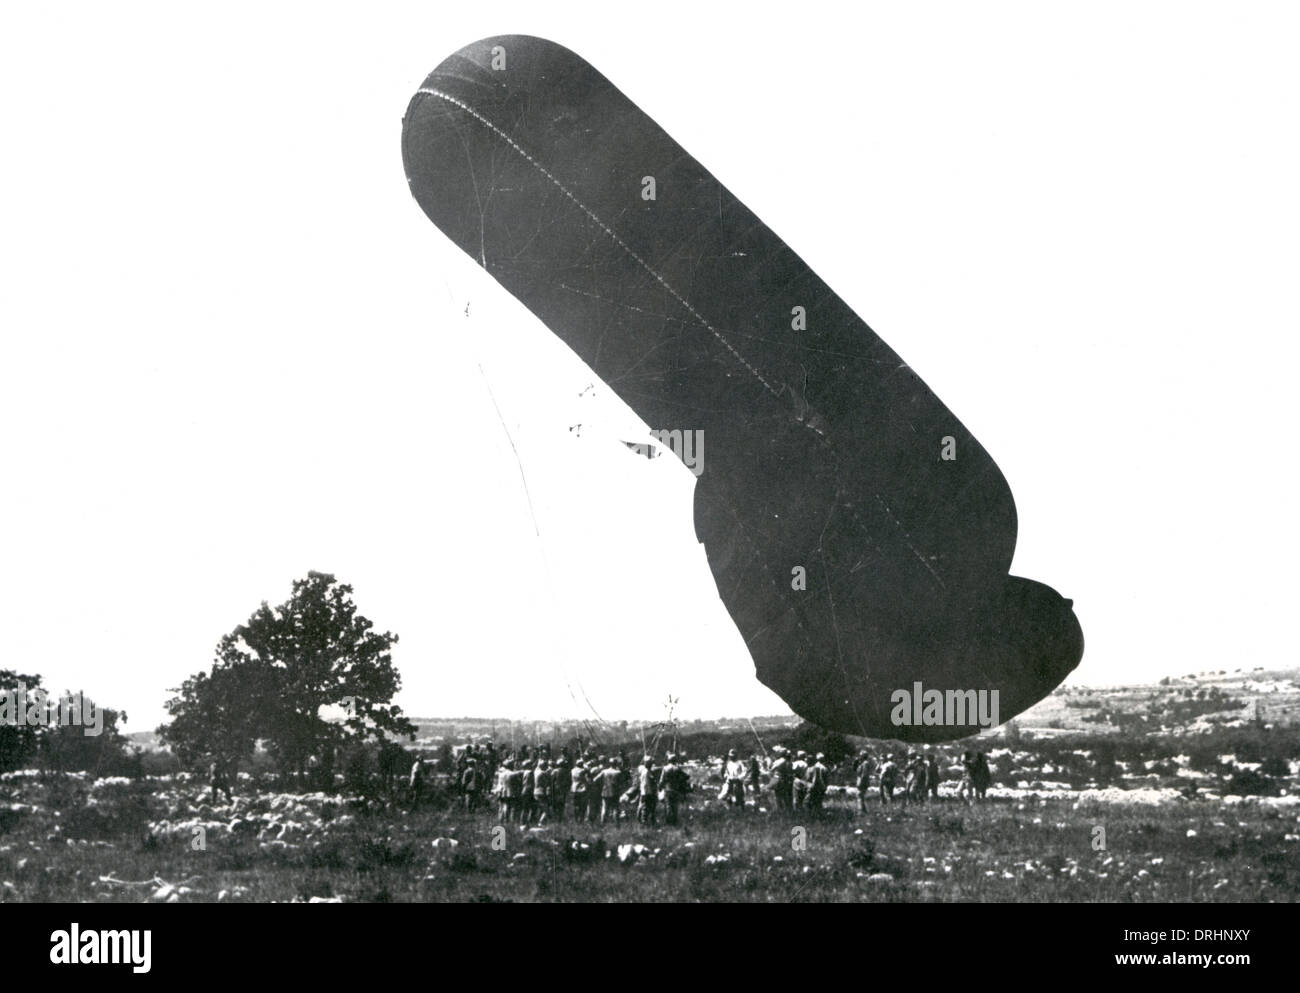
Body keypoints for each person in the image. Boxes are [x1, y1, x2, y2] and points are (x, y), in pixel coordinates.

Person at [659, 753, 691, 826]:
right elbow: (686, 776)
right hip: (676, 789)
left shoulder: (665, 768)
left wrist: (660, 787)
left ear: (668, 760)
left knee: (668, 805)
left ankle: (668, 821)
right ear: (675, 760)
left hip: (667, 789)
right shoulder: (677, 768)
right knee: (675, 806)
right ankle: (674, 821)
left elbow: (662, 780)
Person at [597, 757, 624, 824]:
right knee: (615, 808)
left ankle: (602, 823)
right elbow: (622, 782)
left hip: (605, 791)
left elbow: (595, 779)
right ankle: (617, 825)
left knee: (605, 808)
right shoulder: (618, 772)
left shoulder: (604, 771)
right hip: (615, 792)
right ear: (616, 764)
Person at [637, 756, 660, 825]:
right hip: (649, 792)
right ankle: (646, 821)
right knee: (649, 806)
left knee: (644, 806)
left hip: (644, 791)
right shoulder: (648, 772)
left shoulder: (643, 771)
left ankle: (643, 820)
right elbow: (653, 780)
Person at [770, 747, 794, 812]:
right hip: (786, 780)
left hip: (778, 779)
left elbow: (771, 769)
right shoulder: (789, 762)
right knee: (785, 796)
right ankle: (787, 809)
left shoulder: (778, 761)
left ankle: (780, 809)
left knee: (778, 795)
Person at [551, 757, 571, 823]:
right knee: (561, 805)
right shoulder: (566, 771)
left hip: (555, 789)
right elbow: (568, 781)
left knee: (555, 804)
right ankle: (560, 818)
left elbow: (551, 780)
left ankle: (555, 818)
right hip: (562, 789)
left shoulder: (554, 771)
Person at [532, 759, 552, 825]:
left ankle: (535, 821)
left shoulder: (536, 772)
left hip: (535, 791)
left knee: (539, 808)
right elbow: (548, 780)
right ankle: (541, 822)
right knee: (546, 810)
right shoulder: (543, 773)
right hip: (541, 792)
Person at [570, 759, 590, 823]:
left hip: (574, 788)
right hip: (582, 789)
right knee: (583, 805)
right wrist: (585, 765)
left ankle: (576, 819)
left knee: (576, 805)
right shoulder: (583, 770)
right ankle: (581, 819)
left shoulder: (572, 770)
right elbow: (588, 771)